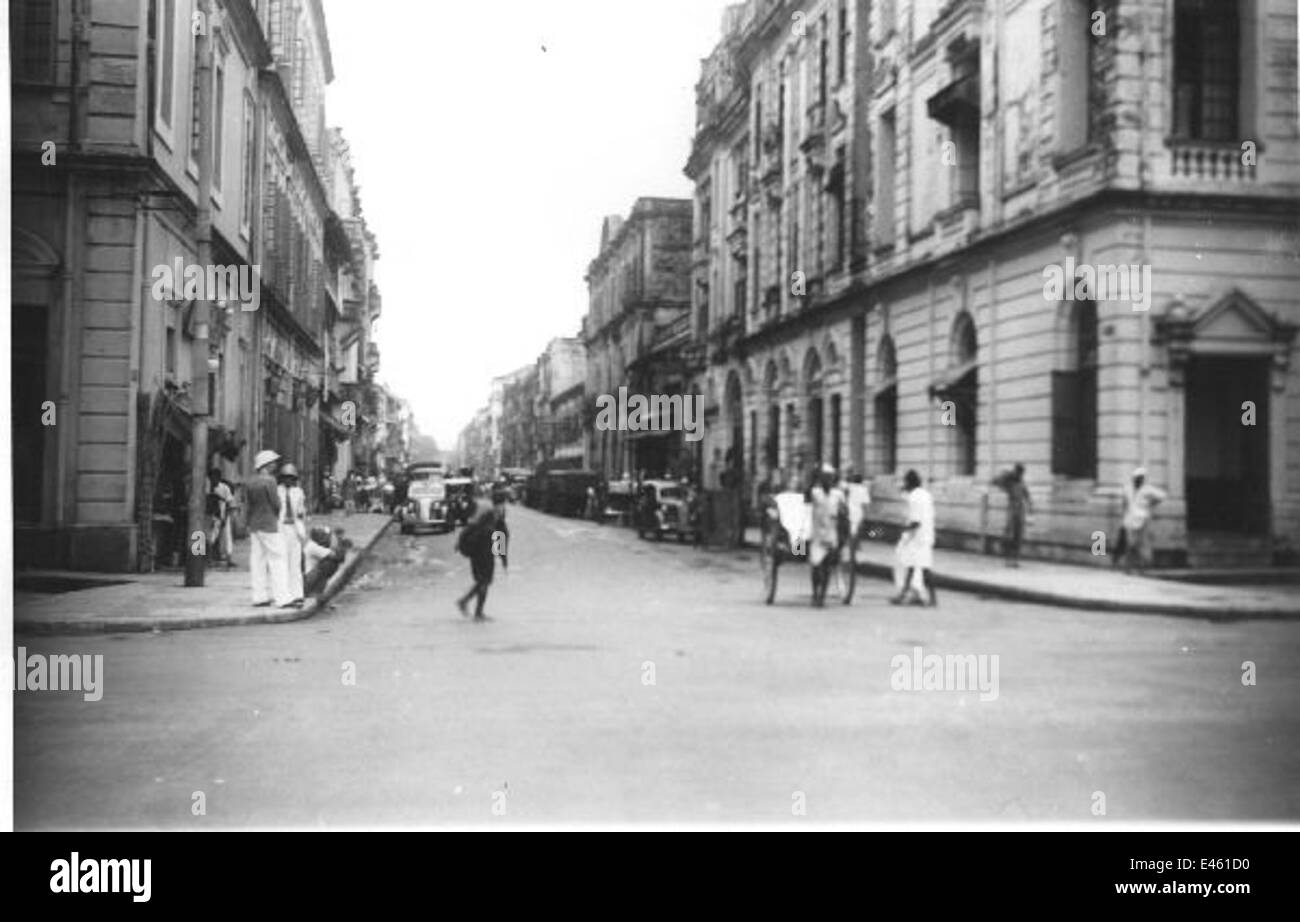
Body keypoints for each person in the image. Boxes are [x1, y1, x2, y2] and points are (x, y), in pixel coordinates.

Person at [247, 450, 293, 608]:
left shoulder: (251, 481)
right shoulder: (270, 481)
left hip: (255, 524)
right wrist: (277, 515)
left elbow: (249, 505)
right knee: (278, 559)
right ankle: (283, 598)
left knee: (257, 560)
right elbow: (276, 504)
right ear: (265, 464)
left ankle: (259, 596)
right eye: (272, 462)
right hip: (269, 523)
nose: (275, 465)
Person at [455, 490, 509, 621]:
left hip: (478, 551)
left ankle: (471, 606)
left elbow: (470, 527)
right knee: (484, 581)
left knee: (482, 581)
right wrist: (503, 559)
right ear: (501, 503)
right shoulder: (495, 515)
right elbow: (500, 536)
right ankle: (472, 608)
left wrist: (459, 542)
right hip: (484, 552)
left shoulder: (485, 513)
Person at [891, 469, 937, 607]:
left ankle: (932, 599)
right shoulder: (926, 494)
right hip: (927, 534)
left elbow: (915, 522)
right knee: (912, 566)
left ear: (909, 483)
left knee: (923, 569)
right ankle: (904, 594)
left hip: (917, 537)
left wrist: (902, 530)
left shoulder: (913, 497)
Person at [807, 463, 848, 606]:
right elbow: (806, 501)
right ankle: (814, 593)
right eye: (824, 478)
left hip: (831, 536)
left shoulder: (838, 495)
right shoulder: (815, 492)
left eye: (829, 478)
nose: (827, 481)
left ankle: (821, 597)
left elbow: (844, 514)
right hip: (816, 535)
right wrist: (812, 477)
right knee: (816, 567)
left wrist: (843, 535)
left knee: (827, 568)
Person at [1119, 466, 1166, 573]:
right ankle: (1128, 567)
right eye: (1136, 478)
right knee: (1130, 544)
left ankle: (1142, 567)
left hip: (1143, 519)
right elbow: (1124, 503)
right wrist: (1123, 515)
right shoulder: (1127, 488)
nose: (1138, 480)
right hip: (1130, 519)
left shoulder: (1147, 489)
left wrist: (1150, 504)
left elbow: (1162, 496)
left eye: (1140, 478)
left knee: (1141, 544)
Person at [278, 462, 308, 606]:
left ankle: (297, 594)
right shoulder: (277, 491)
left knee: (295, 563)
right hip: (281, 528)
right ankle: (284, 593)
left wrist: (301, 520)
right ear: (282, 478)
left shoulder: (299, 492)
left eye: (291, 477)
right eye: (286, 477)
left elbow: (301, 512)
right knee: (282, 562)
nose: (288, 480)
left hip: (294, 528)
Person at [991, 463, 1033, 567]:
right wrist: (1006, 474)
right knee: (1010, 534)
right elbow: (994, 481)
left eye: (1021, 473)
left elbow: (1027, 495)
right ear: (1016, 472)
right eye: (1018, 472)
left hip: (1020, 511)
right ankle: (1008, 559)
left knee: (1018, 536)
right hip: (1012, 510)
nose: (1020, 475)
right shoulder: (1010, 482)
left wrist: (1030, 508)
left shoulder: (1021, 483)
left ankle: (1015, 559)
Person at [206, 468, 235, 568]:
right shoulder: (205, 486)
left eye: (216, 477)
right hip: (207, 516)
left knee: (226, 537)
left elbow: (228, 504)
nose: (214, 479)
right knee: (207, 537)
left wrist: (225, 518)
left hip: (221, 515)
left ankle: (228, 558)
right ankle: (203, 559)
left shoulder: (224, 488)